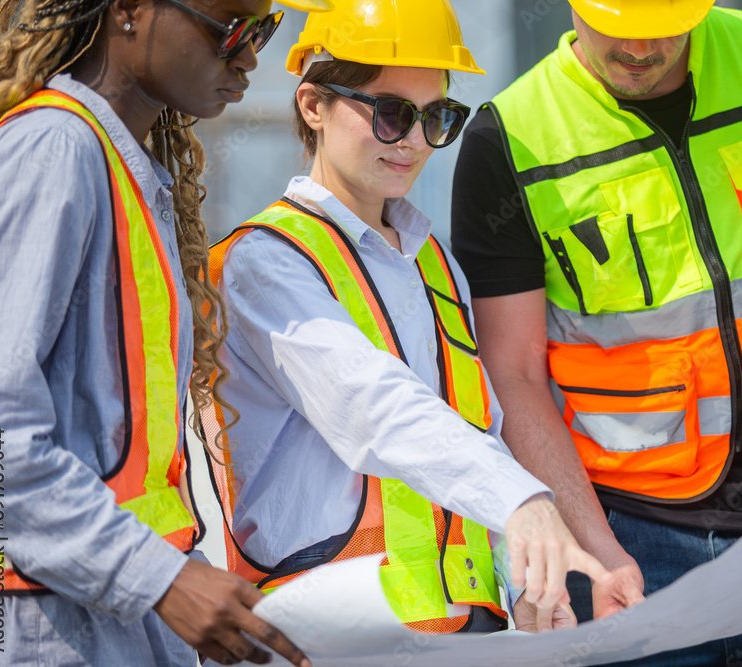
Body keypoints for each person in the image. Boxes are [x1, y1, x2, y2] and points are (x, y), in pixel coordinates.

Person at [451, 0, 742, 663]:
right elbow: (515, 375)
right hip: (634, 547)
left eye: (666, 21)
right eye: (619, 22)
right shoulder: (512, 138)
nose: (644, 46)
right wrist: (601, 551)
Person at [201, 0, 610, 637]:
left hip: (462, 630)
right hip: (331, 632)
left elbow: (476, 433)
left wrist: (523, 580)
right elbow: (373, 407)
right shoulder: (265, 263)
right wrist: (524, 502)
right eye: (392, 114)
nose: (416, 142)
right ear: (314, 105)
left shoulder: (433, 264)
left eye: (437, 117)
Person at [0, 0, 317, 665]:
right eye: (233, 28)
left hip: (112, 617)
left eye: (267, 31)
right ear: (130, 11)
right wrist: (160, 579)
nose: (250, 56)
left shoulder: (120, 164)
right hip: (40, 627)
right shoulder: (52, 149)